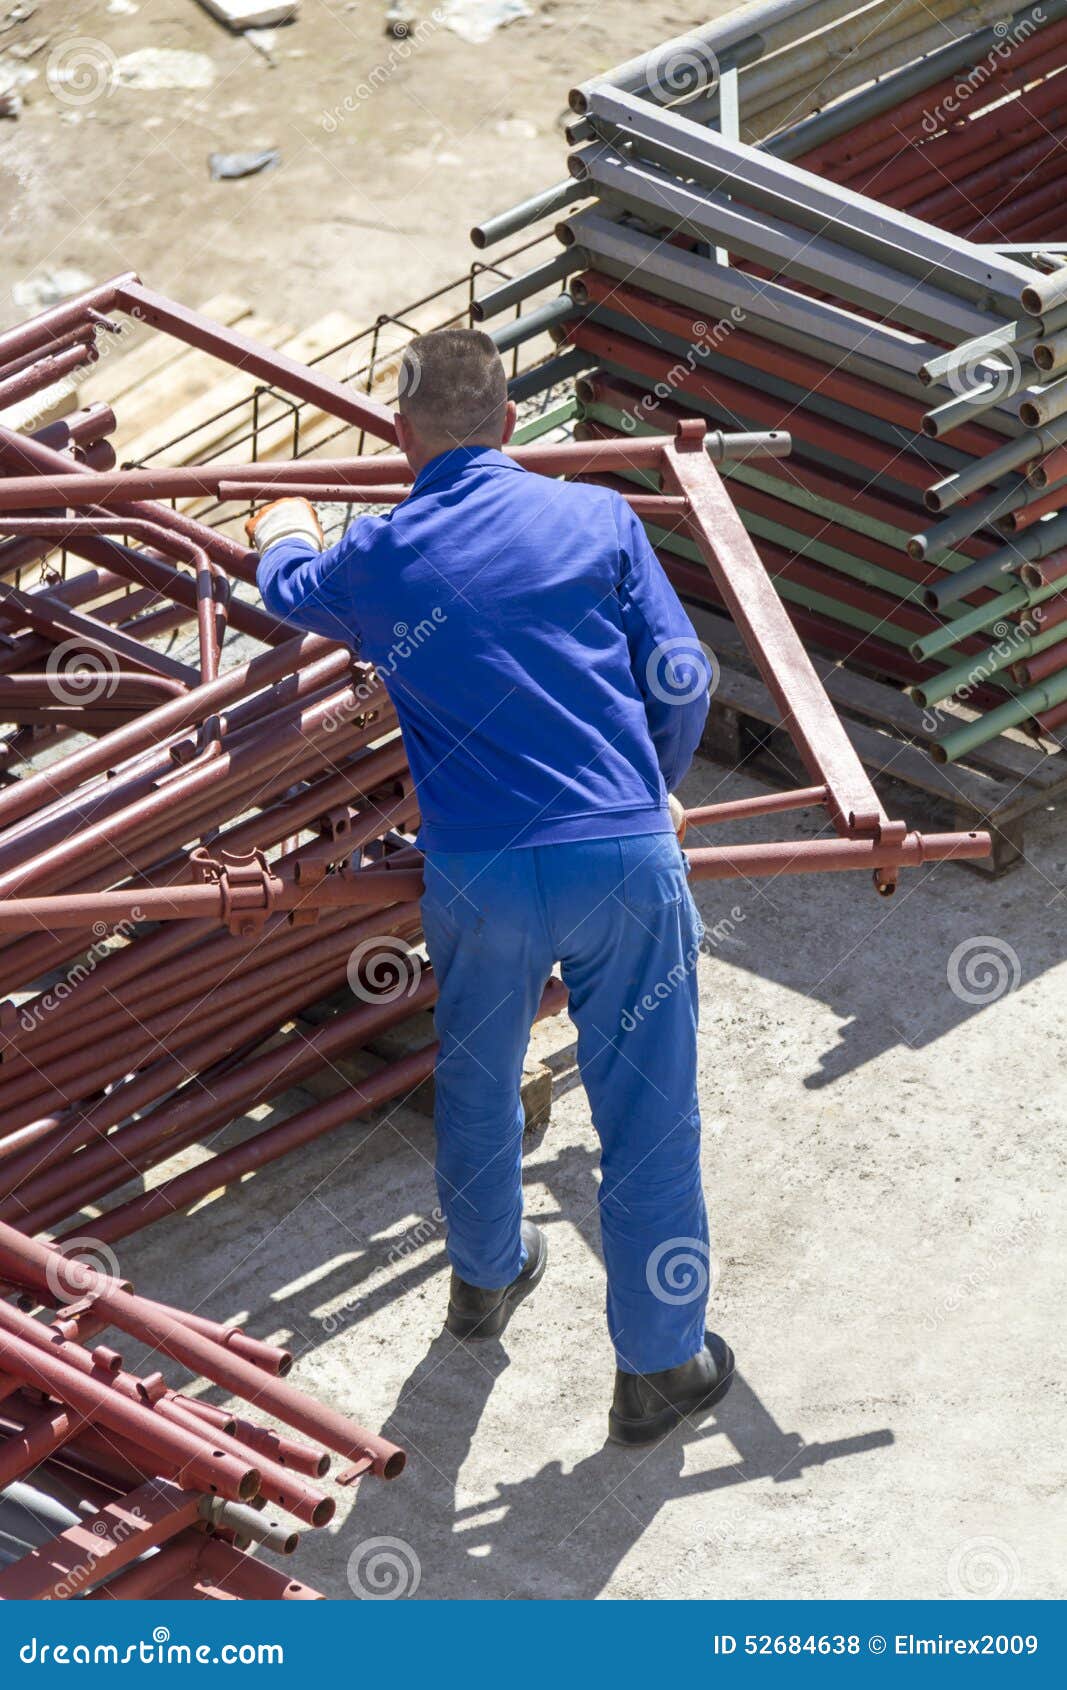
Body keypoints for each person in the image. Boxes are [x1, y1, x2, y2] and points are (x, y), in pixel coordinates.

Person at [249, 328, 733, 1444]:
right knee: (648, 1115)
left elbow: (291, 589)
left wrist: (279, 534)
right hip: (619, 859)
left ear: (395, 438)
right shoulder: (597, 515)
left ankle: (483, 1278)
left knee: (475, 1076)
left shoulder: (381, 554)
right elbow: (681, 674)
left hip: (478, 872)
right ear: (513, 422)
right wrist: (650, 787)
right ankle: (659, 1367)